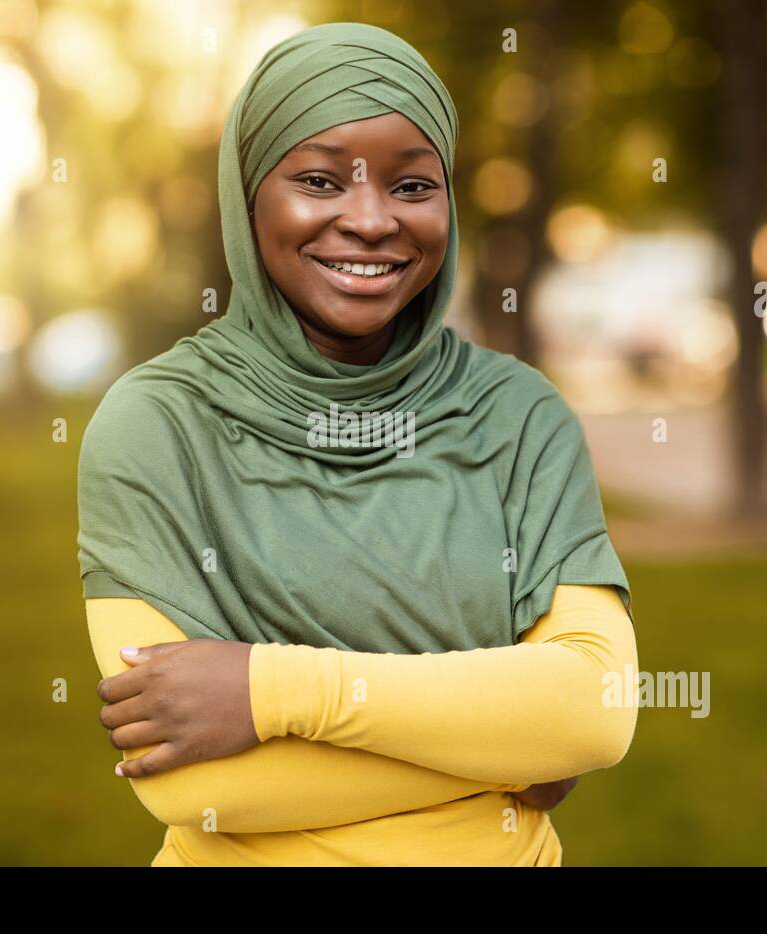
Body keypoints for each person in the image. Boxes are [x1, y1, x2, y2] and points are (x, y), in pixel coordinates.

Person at [77, 21, 638, 866]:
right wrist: (504, 745)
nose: (372, 220)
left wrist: (269, 692)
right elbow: (192, 785)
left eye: (413, 185)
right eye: (318, 180)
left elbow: (594, 706)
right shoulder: (157, 424)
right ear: (247, 197)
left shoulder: (519, 416)